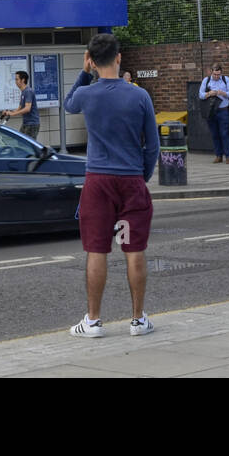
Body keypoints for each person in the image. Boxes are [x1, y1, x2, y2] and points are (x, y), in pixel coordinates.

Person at [63, 33, 160, 338]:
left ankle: (92, 322)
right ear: (119, 58)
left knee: (97, 250)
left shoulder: (87, 94)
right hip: (130, 180)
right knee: (133, 249)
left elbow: (68, 104)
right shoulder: (139, 95)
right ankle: (138, 320)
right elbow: (153, 146)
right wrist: (139, 177)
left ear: (92, 60)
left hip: (98, 182)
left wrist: (84, 72)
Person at [198, 63, 229, 163]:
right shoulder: (206, 80)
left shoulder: (226, 80)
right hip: (211, 111)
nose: (217, 76)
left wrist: (223, 93)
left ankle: (228, 156)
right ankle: (218, 155)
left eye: (218, 74)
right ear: (211, 72)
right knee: (215, 134)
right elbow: (200, 95)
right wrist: (209, 93)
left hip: (223, 110)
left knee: (224, 133)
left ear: (221, 73)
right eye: (215, 74)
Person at [0, 71, 39, 141]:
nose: (15, 81)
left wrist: (13, 114)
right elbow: (20, 108)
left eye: (17, 79)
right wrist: (8, 112)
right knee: (20, 142)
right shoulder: (23, 92)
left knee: (28, 145)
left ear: (23, 80)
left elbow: (27, 108)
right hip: (26, 123)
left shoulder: (28, 91)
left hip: (32, 124)